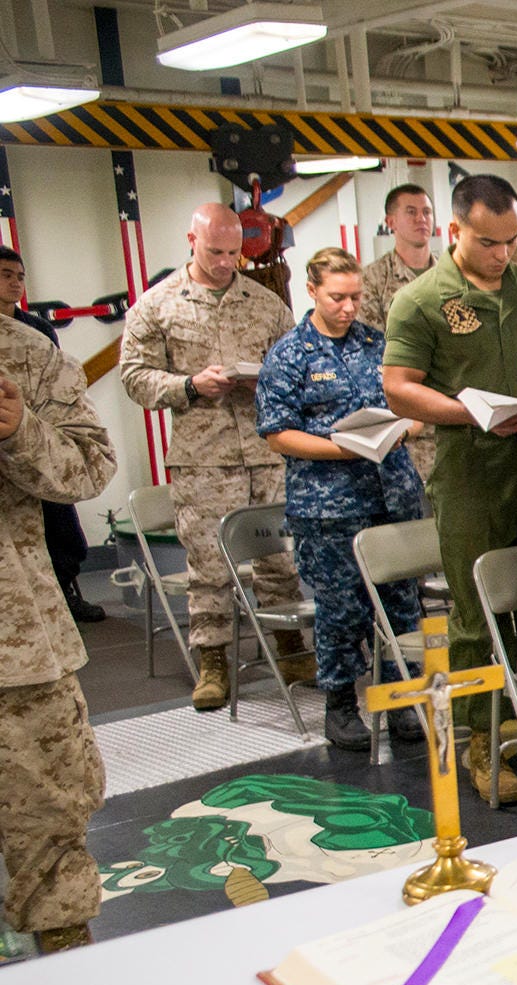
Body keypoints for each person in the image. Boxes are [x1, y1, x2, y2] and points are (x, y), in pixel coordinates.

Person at [382, 173, 517, 806]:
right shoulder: (420, 300)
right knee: (474, 616)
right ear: (455, 230)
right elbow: (398, 385)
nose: (501, 254)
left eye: (511, 240)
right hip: (469, 472)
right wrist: (468, 411)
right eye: (488, 241)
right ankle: (482, 741)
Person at [119, 203, 305, 712]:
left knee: (278, 556)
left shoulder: (265, 304)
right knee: (209, 564)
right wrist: (189, 385)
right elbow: (135, 376)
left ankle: (291, 649)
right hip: (204, 458)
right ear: (191, 241)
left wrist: (266, 380)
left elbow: (296, 367)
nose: (226, 262)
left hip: (267, 452)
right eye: (215, 251)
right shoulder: (157, 306)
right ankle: (213, 661)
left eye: (233, 253)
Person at [255, 248, 426, 754]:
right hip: (328, 505)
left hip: (390, 495)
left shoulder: (378, 345)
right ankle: (341, 706)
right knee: (341, 610)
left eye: (355, 296)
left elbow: (413, 405)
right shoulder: (291, 353)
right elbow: (277, 434)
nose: (349, 307)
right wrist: (341, 448)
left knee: (401, 605)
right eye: (338, 297)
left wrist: (405, 429)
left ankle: (400, 702)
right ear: (311, 291)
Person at [0, 312, 117, 954]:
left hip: (17, 646)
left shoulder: (21, 352)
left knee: (50, 824)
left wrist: (23, 433)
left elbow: (91, 467)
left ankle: (67, 974)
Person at [0, 245, 100, 626]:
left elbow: (56, 389)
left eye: (20, 276)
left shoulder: (37, 331)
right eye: (6, 274)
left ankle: (68, 589)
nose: (14, 282)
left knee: (59, 519)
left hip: (37, 435)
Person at [357, 182, 440, 484]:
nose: (422, 219)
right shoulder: (373, 279)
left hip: (449, 420)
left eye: (427, 212)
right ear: (390, 222)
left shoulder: (450, 278)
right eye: (411, 212)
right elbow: (367, 351)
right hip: (402, 425)